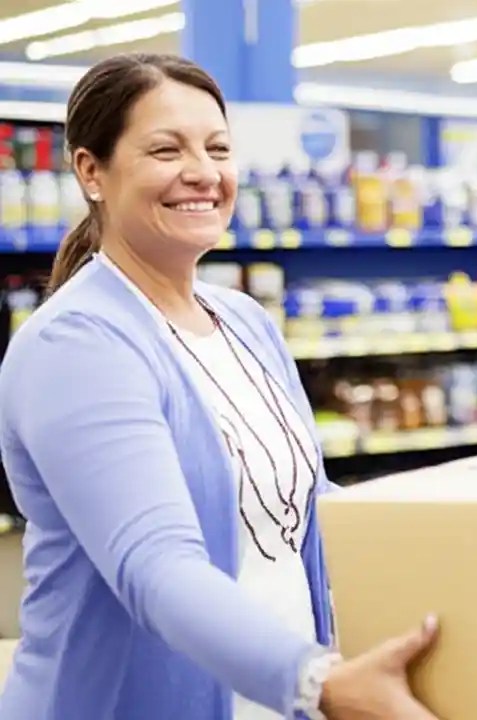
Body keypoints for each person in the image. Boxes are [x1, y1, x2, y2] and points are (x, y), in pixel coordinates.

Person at [0, 53, 441, 720]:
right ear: (91, 171)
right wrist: (318, 682)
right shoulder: (78, 343)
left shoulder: (244, 322)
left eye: (218, 148)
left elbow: (311, 509)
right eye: (165, 149)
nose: (202, 172)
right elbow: (156, 567)